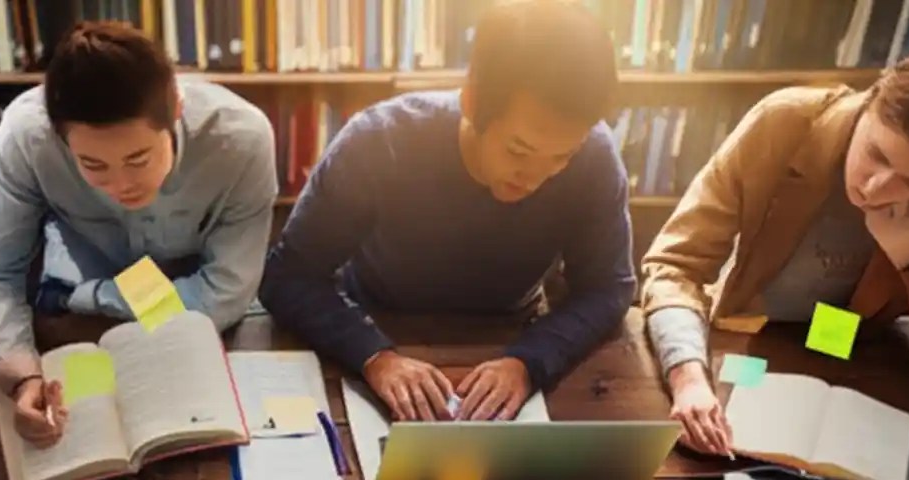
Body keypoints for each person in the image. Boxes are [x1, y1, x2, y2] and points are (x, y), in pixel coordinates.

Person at [259, 1, 634, 422]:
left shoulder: (595, 156)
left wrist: (529, 362)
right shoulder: (381, 142)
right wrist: (374, 356)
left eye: (562, 156)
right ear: (472, 101)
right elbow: (288, 276)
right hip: (378, 327)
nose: (537, 176)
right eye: (519, 150)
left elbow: (608, 288)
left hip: (512, 335)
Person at [0, 21, 277, 448]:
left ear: (177, 109)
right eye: (92, 166)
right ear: (58, 137)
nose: (120, 184)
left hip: (182, 327)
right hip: (87, 327)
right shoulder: (27, 136)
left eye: (138, 158)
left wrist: (91, 297)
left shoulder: (241, 140)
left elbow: (224, 294)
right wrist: (22, 376)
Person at [641, 49, 909, 456]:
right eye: (877, 155)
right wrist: (688, 377)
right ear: (869, 101)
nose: (876, 190)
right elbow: (674, 266)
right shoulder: (786, 124)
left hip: (844, 351)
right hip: (748, 333)